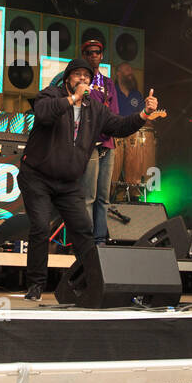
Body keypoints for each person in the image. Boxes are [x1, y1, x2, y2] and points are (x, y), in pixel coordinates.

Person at [19, 57, 158, 301]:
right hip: (37, 176)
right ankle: (36, 286)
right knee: (40, 227)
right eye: (78, 76)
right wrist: (72, 99)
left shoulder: (95, 108)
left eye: (87, 77)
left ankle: (94, 283)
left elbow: (120, 125)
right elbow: (42, 114)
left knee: (84, 231)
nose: (83, 79)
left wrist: (144, 113)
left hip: (68, 182)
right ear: (68, 79)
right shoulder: (50, 95)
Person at [78, 39, 118, 244]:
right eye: (89, 52)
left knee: (104, 196)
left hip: (107, 144)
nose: (93, 55)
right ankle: (85, 240)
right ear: (84, 56)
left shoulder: (108, 83)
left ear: (102, 56)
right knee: (89, 196)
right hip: (89, 144)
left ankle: (100, 240)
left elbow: (115, 114)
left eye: (97, 52)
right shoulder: (80, 82)